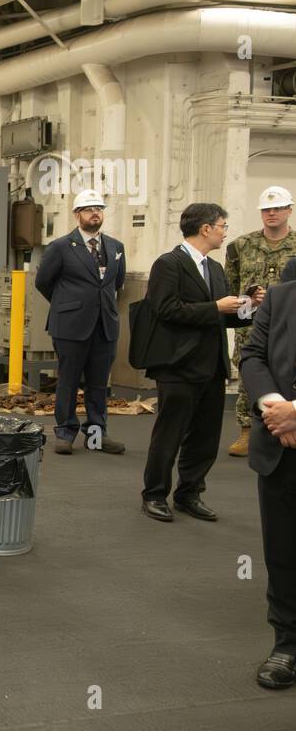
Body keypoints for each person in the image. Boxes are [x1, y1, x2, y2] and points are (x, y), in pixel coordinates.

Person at [141, 203, 252, 523]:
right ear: (205, 229)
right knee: (169, 434)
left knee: (205, 437)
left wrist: (246, 307)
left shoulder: (215, 269)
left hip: (211, 366)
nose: (224, 232)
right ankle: (154, 494)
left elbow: (223, 317)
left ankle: (190, 492)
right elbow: (166, 310)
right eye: (222, 226)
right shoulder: (169, 264)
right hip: (177, 365)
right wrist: (216, 306)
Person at [34, 189, 126, 455]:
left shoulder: (116, 247)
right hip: (70, 325)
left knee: (98, 383)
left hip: (105, 324)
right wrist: (67, 304)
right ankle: (65, 433)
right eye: (89, 209)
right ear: (77, 215)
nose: (95, 213)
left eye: (99, 208)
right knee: (69, 380)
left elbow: (117, 283)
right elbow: (43, 282)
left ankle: (97, 434)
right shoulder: (61, 247)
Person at [239, 275, 296, 689]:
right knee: (282, 552)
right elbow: (253, 356)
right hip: (280, 447)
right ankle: (287, 645)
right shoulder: (280, 297)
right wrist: (274, 406)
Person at [224, 185, 296, 457]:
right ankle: (247, 430)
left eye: (278, 208)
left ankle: (288, 421)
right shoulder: (241, 246)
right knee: (249, 374)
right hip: (251, 323)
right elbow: (230, 288)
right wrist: (248, 298)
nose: (272, 213)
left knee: (288, 374)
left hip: (288, 324)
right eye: (267, 209)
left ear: (289, 210)